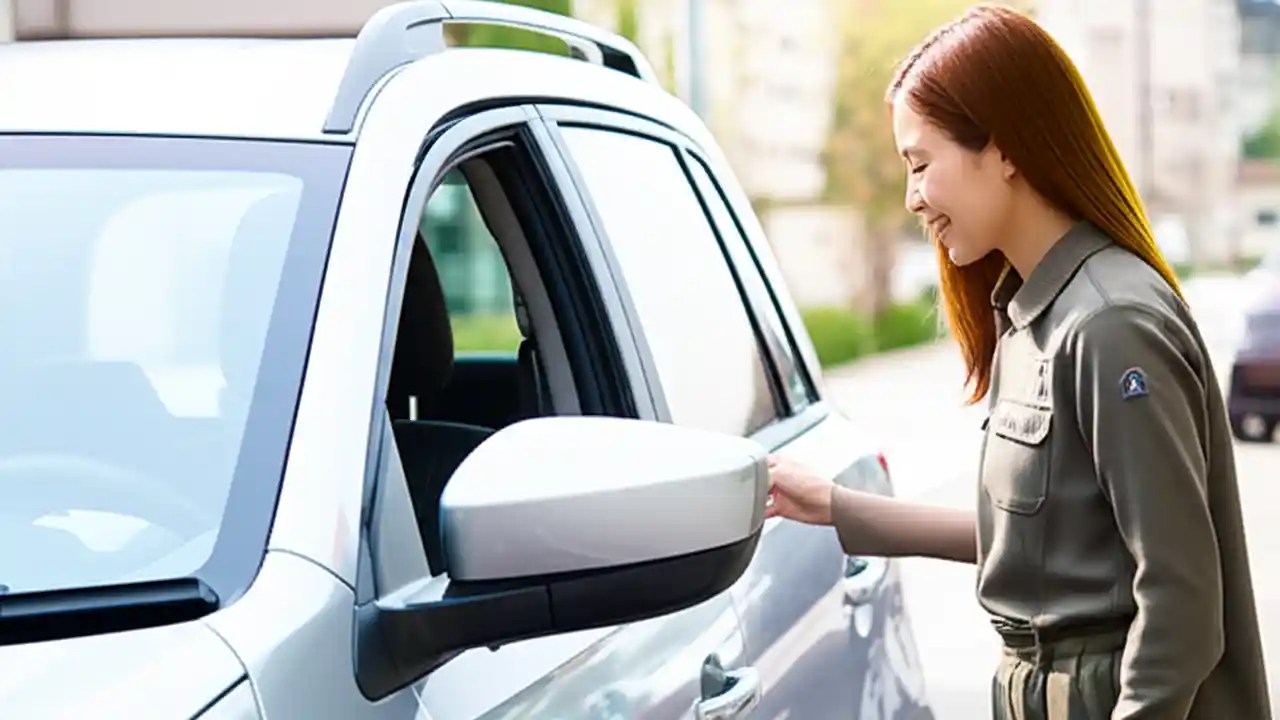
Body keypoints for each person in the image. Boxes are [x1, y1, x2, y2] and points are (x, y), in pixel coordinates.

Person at [765, 5, 1271, 719]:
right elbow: (1030, 543)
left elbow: (1183, 608)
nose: (913, 197)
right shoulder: (1034, 316)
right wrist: (838, 509)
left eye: (920, 164)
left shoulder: (1110, 324)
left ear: (1003, 150)